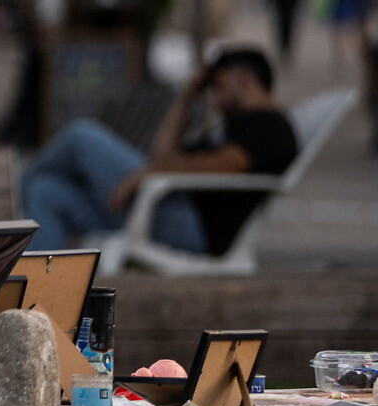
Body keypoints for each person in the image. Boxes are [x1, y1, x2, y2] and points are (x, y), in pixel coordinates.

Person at [19, 45, 298, 256]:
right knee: (45, 192)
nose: (214, 99)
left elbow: (230, 163)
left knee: (81, 136)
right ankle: (36, 307)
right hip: (164, 205)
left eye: (219, 87)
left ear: (245, 79)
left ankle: (11, 191)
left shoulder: (271, 125)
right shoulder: (231, 127)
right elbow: (161, 155)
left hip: (193, 225)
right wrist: (186, 97)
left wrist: (147, 175)